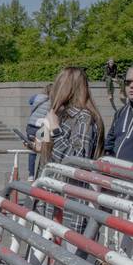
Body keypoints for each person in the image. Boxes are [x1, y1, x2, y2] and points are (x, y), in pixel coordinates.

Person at [35, 67, 104, 234]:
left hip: (70, 201)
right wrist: (40, 140)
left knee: (68, 252)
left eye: (59, 84)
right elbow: (41, 145)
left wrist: (55, 130)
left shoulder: (83, 117)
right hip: (49, 194)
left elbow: (75, 159)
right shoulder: (58, 113)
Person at [25, 85, 51, 178]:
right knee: (44, 151)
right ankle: (43, 173)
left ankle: (31, 174)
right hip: (42, 128)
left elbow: (30, 102)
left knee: (32, 151)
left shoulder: (36, 97)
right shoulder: (53, 101)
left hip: (31, 126)